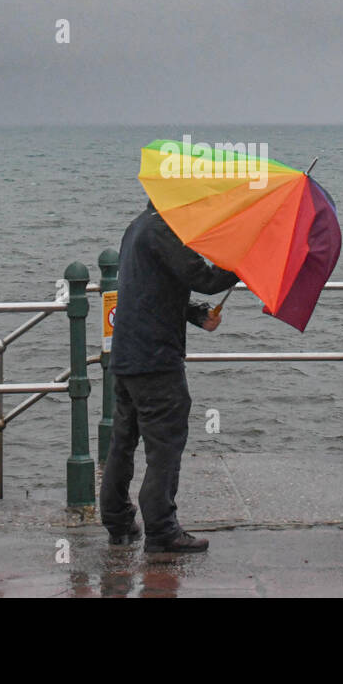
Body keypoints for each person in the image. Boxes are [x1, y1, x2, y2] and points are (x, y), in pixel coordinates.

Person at [101, 200, 239, 553]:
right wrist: (243, 260)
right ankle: (162, 530)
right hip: (155, 360)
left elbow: (153, 289)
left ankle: (118, 521)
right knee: (165, 444)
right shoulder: (164, 230)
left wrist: (195, 315)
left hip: (127, 355)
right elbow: (205, 279)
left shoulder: (138, 226)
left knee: (123, 440)